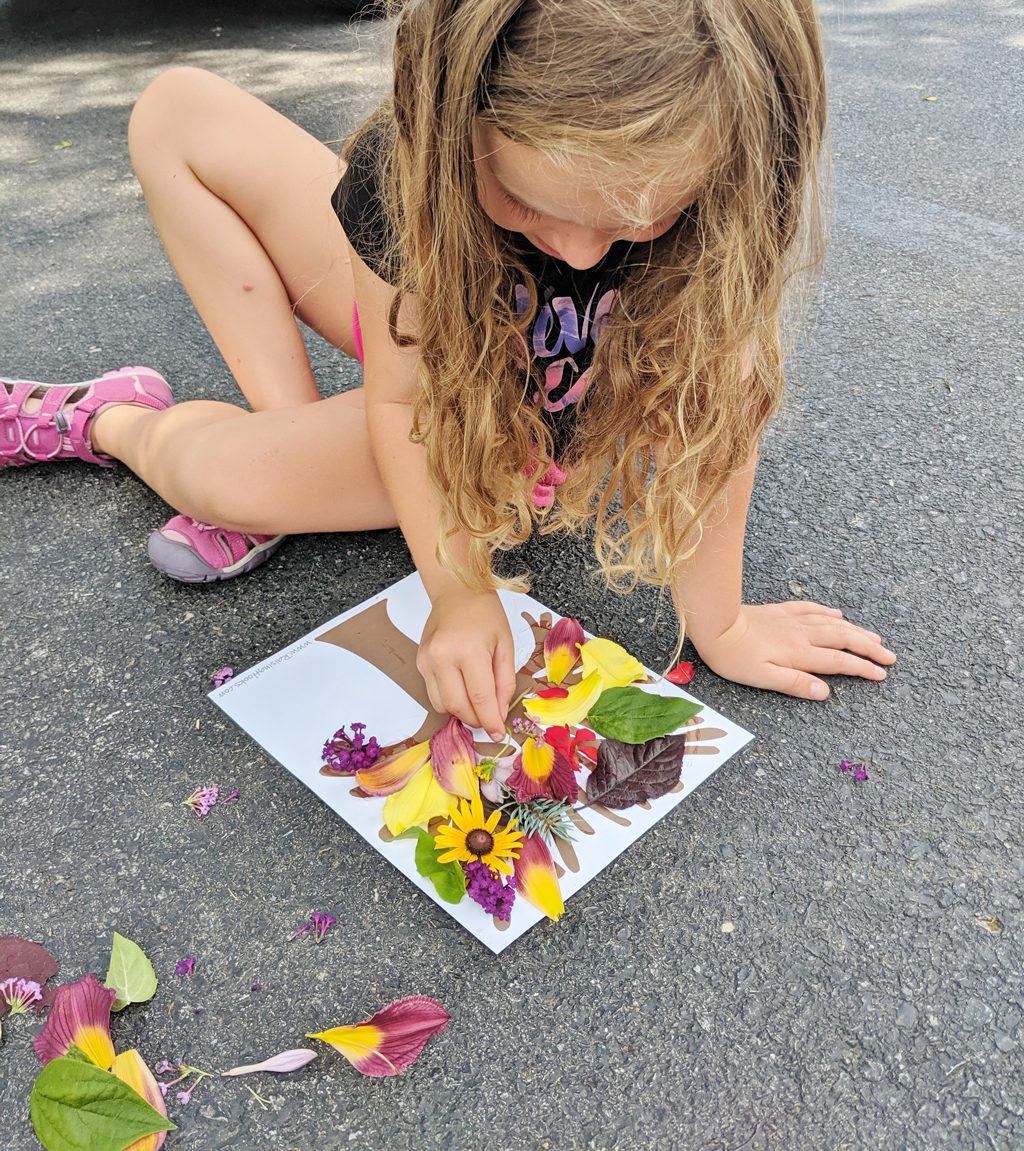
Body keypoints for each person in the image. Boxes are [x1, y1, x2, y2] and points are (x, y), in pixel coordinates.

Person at [0, 0, 896, 740]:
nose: (581, 253)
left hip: (521, 435)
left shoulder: (717, 184)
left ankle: (162, 436)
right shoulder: (413, 162)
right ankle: (202, 424)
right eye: (528, 202)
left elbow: (719, 414)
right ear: (458, 114)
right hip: (436, 348)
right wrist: (458, 593)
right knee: (176, 109)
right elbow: (402, 393)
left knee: (223, 477)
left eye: (634, 220)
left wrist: (724, 624)